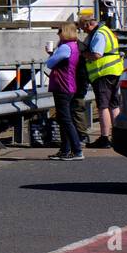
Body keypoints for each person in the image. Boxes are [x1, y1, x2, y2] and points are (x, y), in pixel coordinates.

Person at [79, 12, 123, 148]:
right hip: (115, 71)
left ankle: (104, 138)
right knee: (114, 105)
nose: (83, 31)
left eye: (84, 28)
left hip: (103, 72)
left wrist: (83, 53)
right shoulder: (107, 31)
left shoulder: (99, 34)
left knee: (103, 106)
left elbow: (97, 54)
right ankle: (118, 135)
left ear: (89, 24)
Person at [44, 22, 84, 161]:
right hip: (69, 85)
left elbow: (49, 64)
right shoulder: (74, 46)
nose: (58, 33)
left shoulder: (66, 47)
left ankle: (77, 150)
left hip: (63, 86)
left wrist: (51, 54)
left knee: (65, 120)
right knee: (64, 119)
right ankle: (65, 150)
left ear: (66, 31)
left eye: (60, 30)